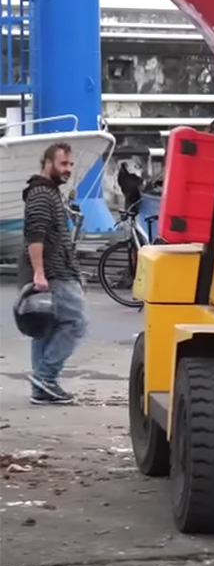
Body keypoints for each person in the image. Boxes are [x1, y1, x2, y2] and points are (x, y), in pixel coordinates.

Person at [18, 142, 89, 405]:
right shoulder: (41, 195)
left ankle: (41, 389)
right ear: (48, 163)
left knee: (44, 327)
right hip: (53, 273)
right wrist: (39, 273)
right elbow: (34, 236)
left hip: (56, 270)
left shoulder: (49, 191)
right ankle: (45, 378)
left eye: (70, 164)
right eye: (63, 164)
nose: (68, 169)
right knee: (76, 323)